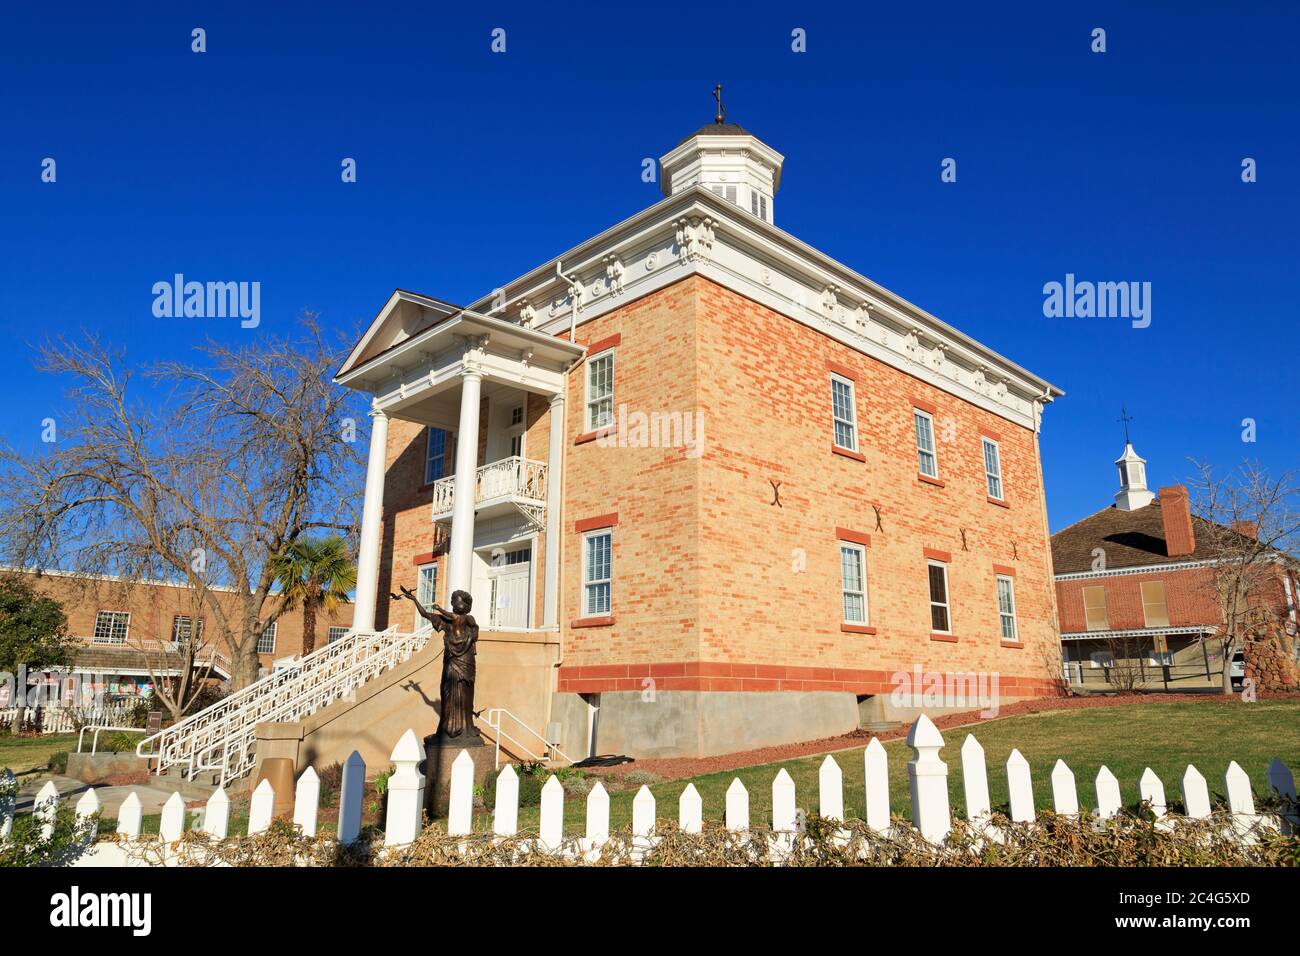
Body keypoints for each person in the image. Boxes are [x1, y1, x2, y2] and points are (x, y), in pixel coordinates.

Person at [396, 585, 480, 738]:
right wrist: (415, 599)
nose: (454, 604)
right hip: (451, 660)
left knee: (466, 693)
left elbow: (474, 630)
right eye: (453, 601)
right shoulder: (446, 620)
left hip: (465, 660)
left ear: (466, 606)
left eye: (457, 601)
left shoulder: (469, 620)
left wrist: (470, 637)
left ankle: (467, 728)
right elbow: (425, 614)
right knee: (447, 691)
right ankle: (447, 728)